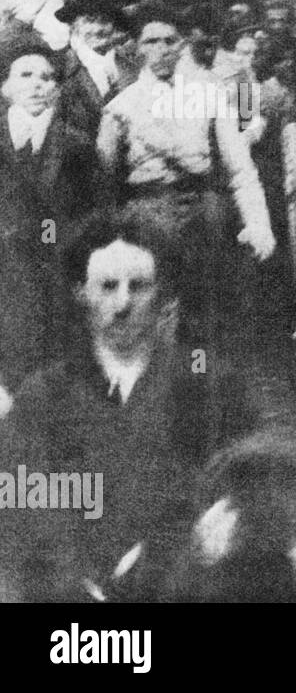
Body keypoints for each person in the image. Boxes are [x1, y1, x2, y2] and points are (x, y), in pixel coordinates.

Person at [0, 210, 264, 601]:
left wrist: (231, 520)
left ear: (162, 295)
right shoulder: (44, 397)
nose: (123, 303)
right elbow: (21, 510)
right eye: (107, 286)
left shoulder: (212, 385)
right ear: (81, 293)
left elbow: (254, 484)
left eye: (138, 286)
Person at [95, 5, 276, 349]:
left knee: (204, 313)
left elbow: (241, 168)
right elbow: (103, 182)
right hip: (146, 213)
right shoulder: (121, 107)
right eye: (151, 41)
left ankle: (197, 386)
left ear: (182, 46)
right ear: (136, 47)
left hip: (203, 213)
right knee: (150, 310)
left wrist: (258, 222)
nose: (162, 49)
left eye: (170, 41)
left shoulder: (211, 95)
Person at [0, 42, 107, 412]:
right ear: (5, 87)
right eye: (25, 75)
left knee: (54, 348)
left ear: (58, 89)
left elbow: (96, 211)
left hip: (56, 262)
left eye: (47, 78)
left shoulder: (77, 145)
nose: (37, 85)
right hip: (4, 265)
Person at [55, 0, 132, 137]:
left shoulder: (129, 64)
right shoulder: (60, 67)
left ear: (114, 25)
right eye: (89, 21)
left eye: (104, 21)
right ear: (74, 26)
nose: (98, 29)